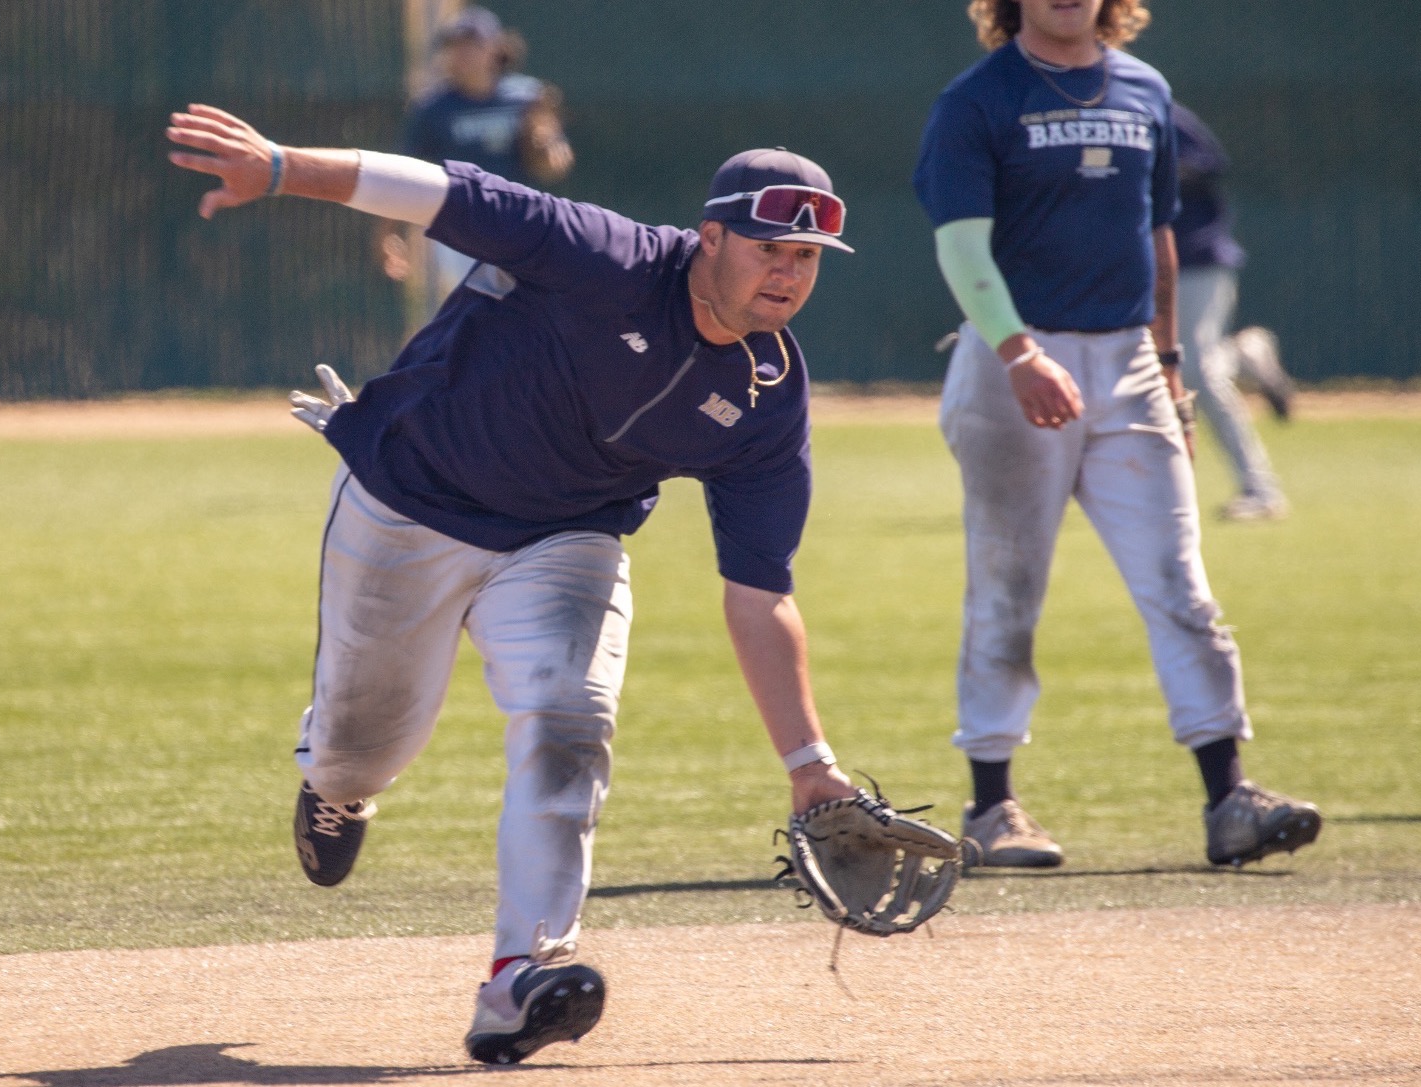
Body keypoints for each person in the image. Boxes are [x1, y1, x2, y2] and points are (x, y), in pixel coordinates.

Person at [167, 107, 872, 1063]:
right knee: (358, 748)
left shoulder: (764, 398)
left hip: (566, 537)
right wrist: (284, 166)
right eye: (768, 248)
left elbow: (760, 592)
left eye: (809, 257)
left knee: (569, 715)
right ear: (709, 237)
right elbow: (440, 193)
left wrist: (809, 763)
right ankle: (333, 785)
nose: (788, 273)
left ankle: (523, 973)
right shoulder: (606, 257)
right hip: (406, 503)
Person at [912, 0, 1322, 870]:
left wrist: (1168, 362)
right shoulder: (977, 99)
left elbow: (1158, 232)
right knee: (1006, 590)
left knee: (1181, 582)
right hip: (1012, 362)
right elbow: (959, 247)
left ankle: (1229, 798)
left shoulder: (1144, 87)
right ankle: (992, 808)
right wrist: (1018, 351)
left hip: (1130, 359)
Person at [381, 6, 574, 320]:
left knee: (523, 313)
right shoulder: (432, 108)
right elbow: (403, 169)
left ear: (496, 49)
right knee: (479, 312)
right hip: (460, 228)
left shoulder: (527, 97)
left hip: (519, 222)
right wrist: (388, 232)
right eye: (455, 46)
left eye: (473, 44)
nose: (463, 54)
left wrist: (547, 145)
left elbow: (554, 167)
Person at [1173, 101, 1296, 522]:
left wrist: (1143, 174)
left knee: (1194, 370)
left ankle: (1260, 490)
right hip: (1135, 269)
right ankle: (1242, 357)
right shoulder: (1061, 115)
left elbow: (1208, 162)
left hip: (1195, 259)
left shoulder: (1144, 102)